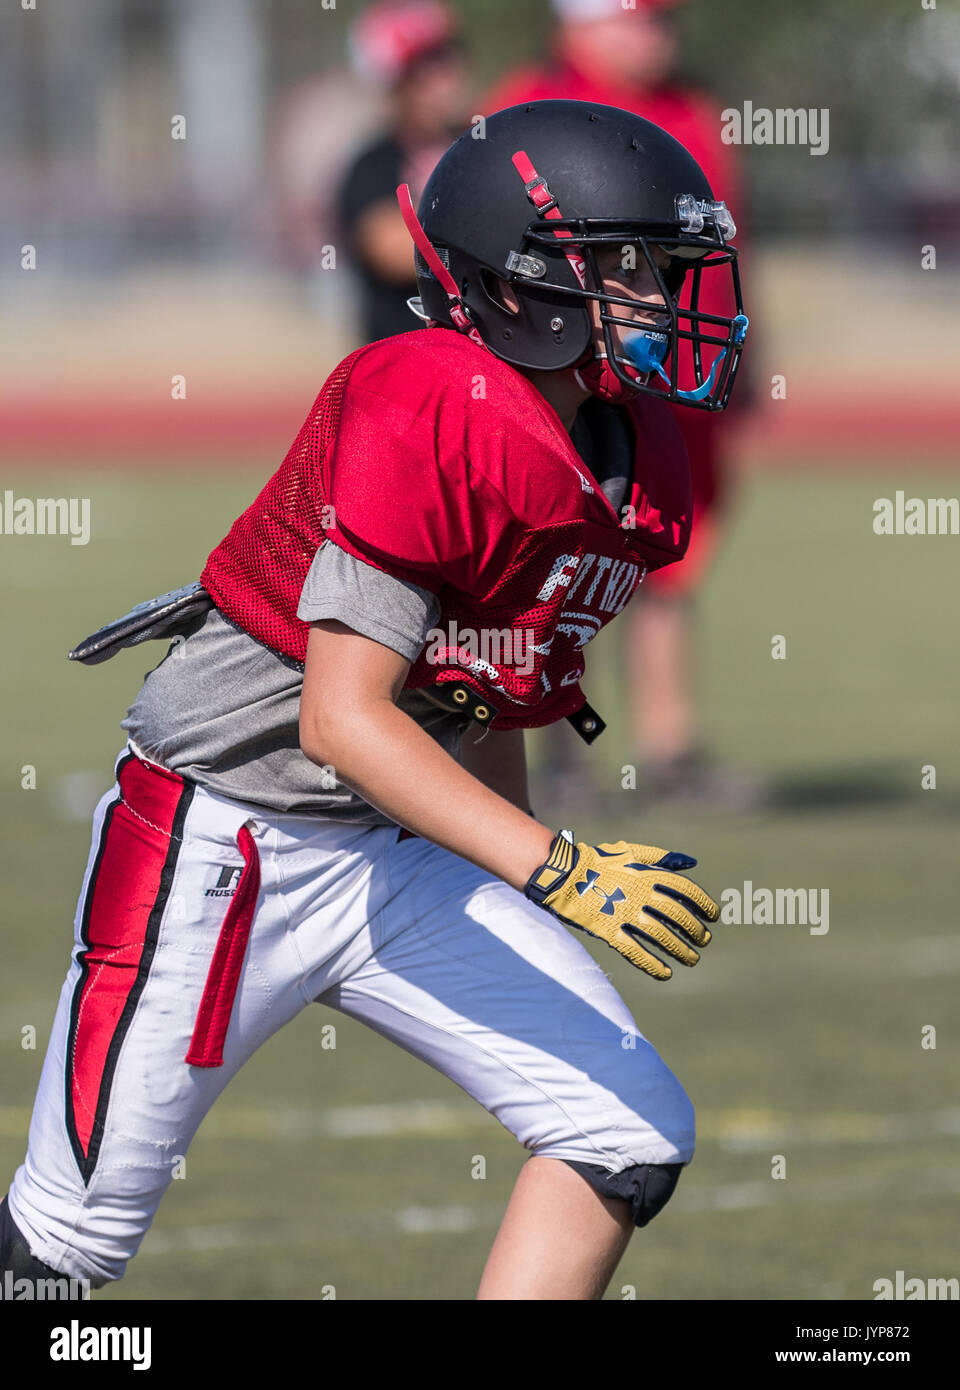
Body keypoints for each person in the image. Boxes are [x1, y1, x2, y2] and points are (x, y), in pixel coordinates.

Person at [1, 99, 748, 1301]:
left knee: (626, 1132)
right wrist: (557, 868)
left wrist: (521, 887)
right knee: (60, 1258)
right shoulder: (431, 401)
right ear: (525, 280)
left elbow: (500, 697)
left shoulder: (623, 450)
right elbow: (340, 718)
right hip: (224, 838)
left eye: (665, 267)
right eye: (630, 267)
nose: (661, 296)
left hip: (395, 851)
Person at [486, 0, 758, 806]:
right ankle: (557, 744)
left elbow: (729, 249)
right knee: (553, 552)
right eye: (638, 20)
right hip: (571, 367)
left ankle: (670, 747)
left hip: (678, 370)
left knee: (665, 555)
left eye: (663, 21)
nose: (658, 35)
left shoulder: (692, 109)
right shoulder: (527, 101)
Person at [336, 0, 470, 344]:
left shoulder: (482, 141)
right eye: (425, 69)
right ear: (395, 86)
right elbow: (391, 250)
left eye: (447, 56)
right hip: (405, 362)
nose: (445, 78)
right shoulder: (373, 164)